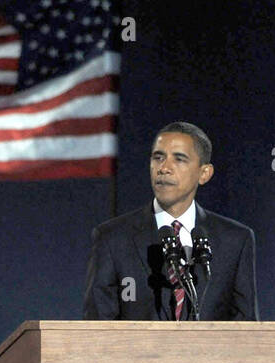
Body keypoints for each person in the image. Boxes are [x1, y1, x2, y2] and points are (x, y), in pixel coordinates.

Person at [82, 122, 259, 322]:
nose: (164, 168)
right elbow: (97, 330)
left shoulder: (235, 240)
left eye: (179, 159)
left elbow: (246, 330)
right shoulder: (112, 238)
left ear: (204, 173)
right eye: (158, 157)